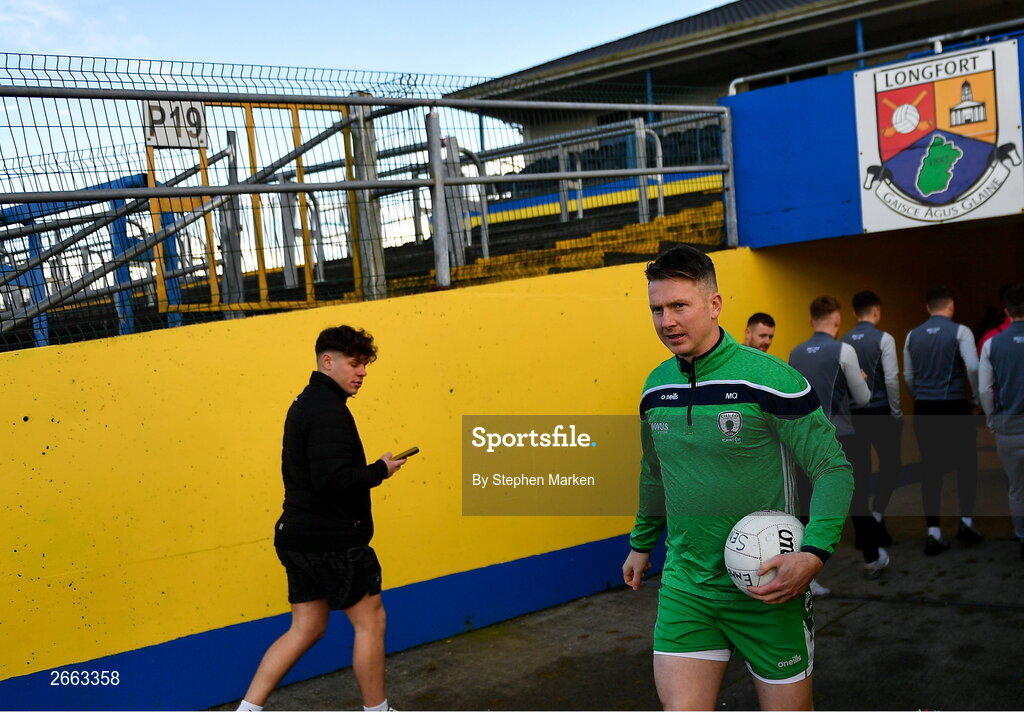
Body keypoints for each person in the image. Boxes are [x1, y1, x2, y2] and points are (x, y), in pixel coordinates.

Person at [622, 246, 853, 711]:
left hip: (766, 588)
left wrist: (814, 553)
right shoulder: (655, 387)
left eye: (679, 306)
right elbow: (654, 473)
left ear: (714, 305)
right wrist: (642, 543)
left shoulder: (773, 381)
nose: (667, 321)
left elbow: (833, 468)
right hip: (686, 585)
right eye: (657, 309)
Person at [238, 326, 406, 712]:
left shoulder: (307, 402)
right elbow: (332, 480)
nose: (362, 372)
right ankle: (377, 711)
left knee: (307, 627)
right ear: (327, 361)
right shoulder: (328, 410)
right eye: (354, 363)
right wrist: (380, 469)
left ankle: (248, 710)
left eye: (364, 365)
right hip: (331, 540)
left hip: (297, 536)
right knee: (371, 622)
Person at [789, 297, 885, 579]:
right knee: (855, 499)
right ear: (838, 320)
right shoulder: (844, 349)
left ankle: (804, 573)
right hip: (842, 438)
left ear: (810, 320)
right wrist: (863, 379)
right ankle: (872, 559)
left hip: (806, 441)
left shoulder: (795, 353)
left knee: (806, 505)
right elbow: (863, 399)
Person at [904, 287, 982, 555]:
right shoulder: (961, 332)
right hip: (955, 406)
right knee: (967, 465)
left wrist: (921, 397)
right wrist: (976, 401)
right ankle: (966, 524)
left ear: (928, 308)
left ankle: (933, 533)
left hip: (925, 407)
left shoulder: (912, 335)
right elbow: (972, 366)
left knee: (930, 470)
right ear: (951, 306)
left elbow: (909, 375)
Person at [840, 291, 903, 549]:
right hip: (879, 412)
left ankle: (864, 532)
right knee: (891, 465)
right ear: (877, 311)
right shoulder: (884, 339)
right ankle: (877, 517)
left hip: (853, 417)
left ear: (854, 313)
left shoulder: (842, 342)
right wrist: (896, 412)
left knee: (859, 474)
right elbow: (891, 378)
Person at [978, 283, 1024, 560]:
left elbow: (985, 389)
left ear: (1006, 310)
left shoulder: (993, 344)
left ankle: (1021, 537)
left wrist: (991, 419)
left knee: (1017, 488)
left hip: (1008, 428)